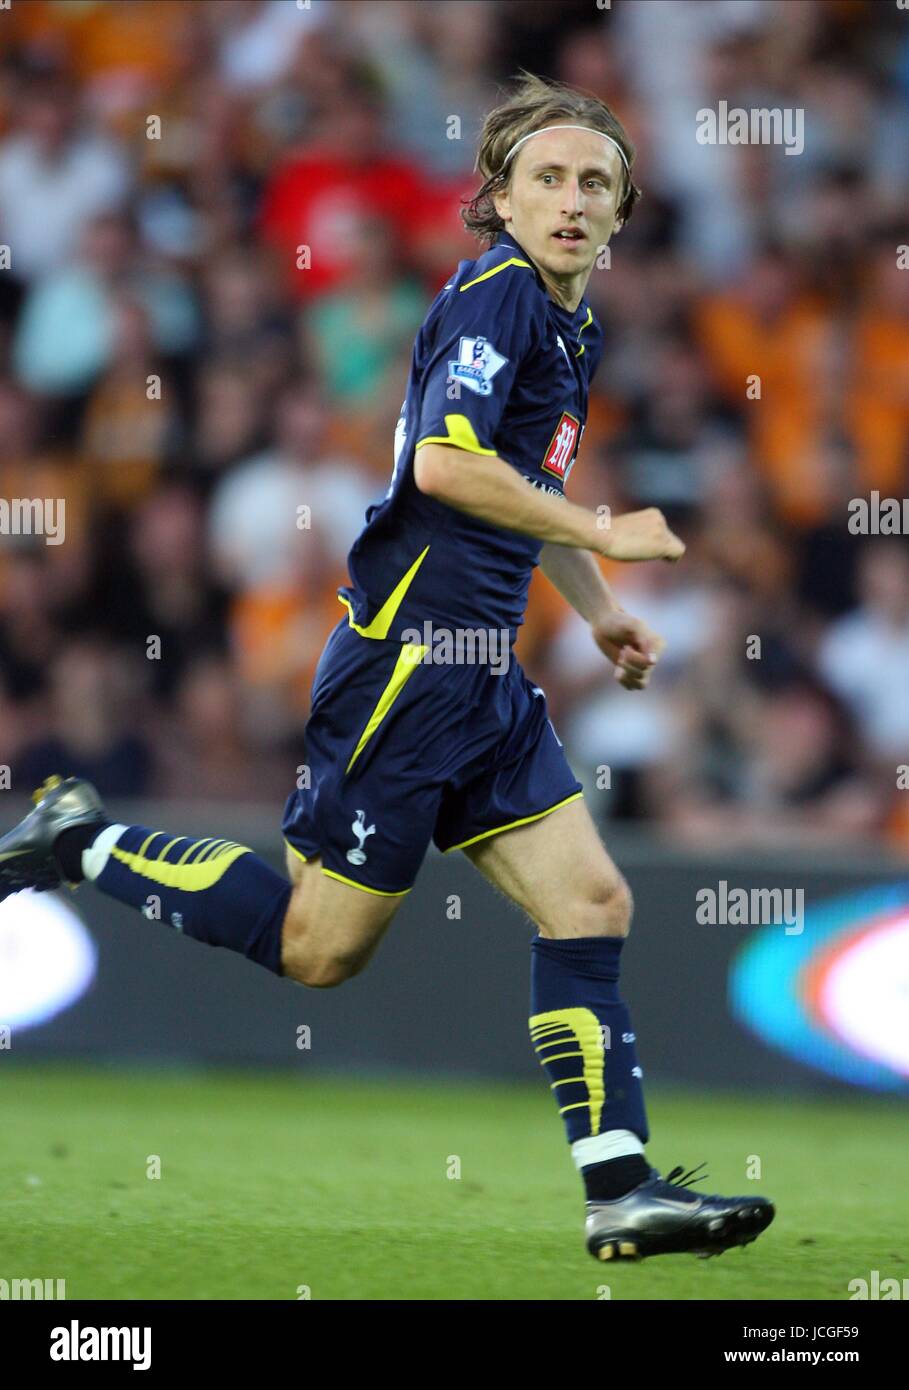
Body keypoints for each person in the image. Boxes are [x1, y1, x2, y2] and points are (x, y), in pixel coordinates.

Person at [0, 74, 773, 1262]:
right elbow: (448, 470)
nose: (572, 201)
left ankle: (620, 1189)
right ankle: (79, 838)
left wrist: (601, 607)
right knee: (320, 948)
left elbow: (530, 494)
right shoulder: (499, 299)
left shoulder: (571, 323)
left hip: (486, 678)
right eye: (549, 179)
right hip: (410, 671)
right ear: (501, 199)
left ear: (621, 215)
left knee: (593, 902)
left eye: (596, 184)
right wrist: (610, 534)